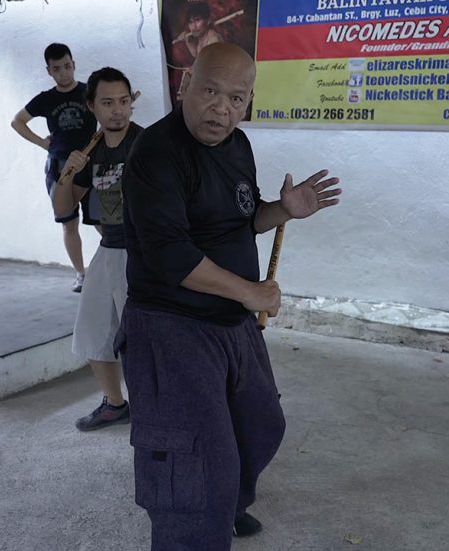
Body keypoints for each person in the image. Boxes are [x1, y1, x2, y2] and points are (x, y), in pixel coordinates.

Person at [119, 43, 341, 549]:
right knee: (192, 458)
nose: (220, 108)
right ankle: (197, 523)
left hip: (231, 321)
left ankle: (223, 505)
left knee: (261, 425)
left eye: (235, 98)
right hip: (170, 324)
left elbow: (238, 222)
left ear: (248, 103)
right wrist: (250, 292)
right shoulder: (156, 152)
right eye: (210, 92)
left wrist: (282, 211)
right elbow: (171, 255)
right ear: (185, 87)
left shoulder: (237, 145)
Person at [53, 67, 141, 431]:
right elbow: (62, 208)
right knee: (91, 332)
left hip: (143, 253)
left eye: (123, 101)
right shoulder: (91, 151)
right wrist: (70, 172)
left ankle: (152, 408)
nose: (117, 110)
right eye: (107, 103)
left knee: (141, 342)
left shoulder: (146, 144)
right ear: (92, 106)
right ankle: (115, 404)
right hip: (108, 250)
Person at [12, 43, 99, 293]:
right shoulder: (46, 99)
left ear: (74, 64)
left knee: (104, 220)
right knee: (68, 222)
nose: (64, 73)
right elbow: (17, 121)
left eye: (68, 66)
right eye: (57, 68)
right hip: (60, 166)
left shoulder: (89, 93)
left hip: (91, 162)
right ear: (49, 70)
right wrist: (42, 143)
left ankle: (117, 268)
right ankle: (81, 274)